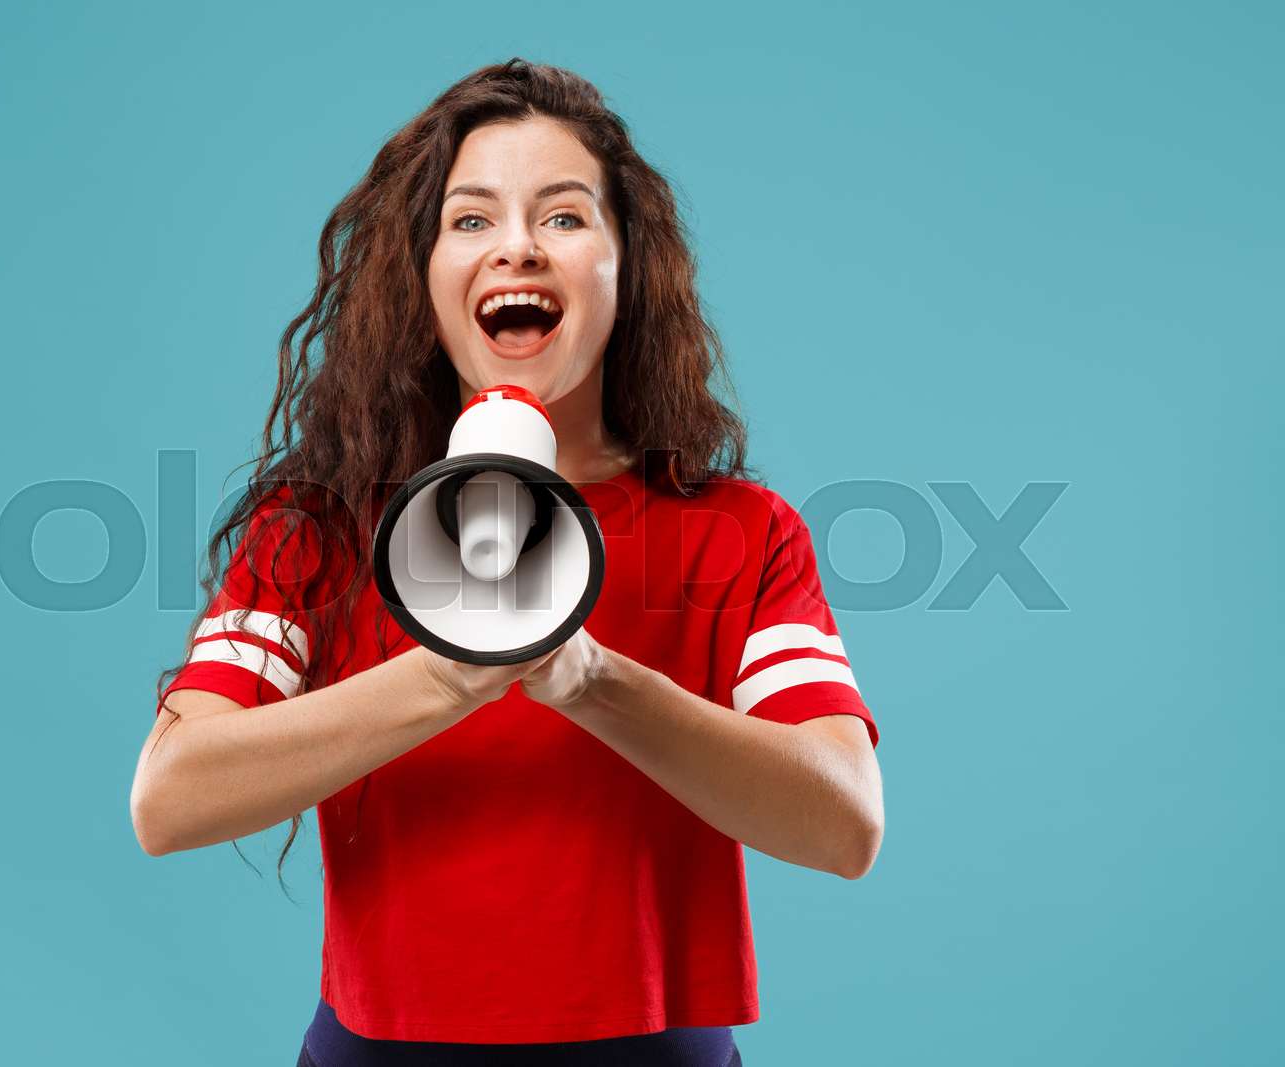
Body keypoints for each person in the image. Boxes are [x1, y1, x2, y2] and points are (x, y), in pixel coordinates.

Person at [130, 59, 884, 1067]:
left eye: (565, 217)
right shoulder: (317, 530)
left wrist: (591, 680)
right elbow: (169, 795)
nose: (518, 246)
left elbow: (844, 824)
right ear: (423, 272)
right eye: (471, 219)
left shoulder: (741, 532)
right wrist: (443, 672)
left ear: (627, 268)